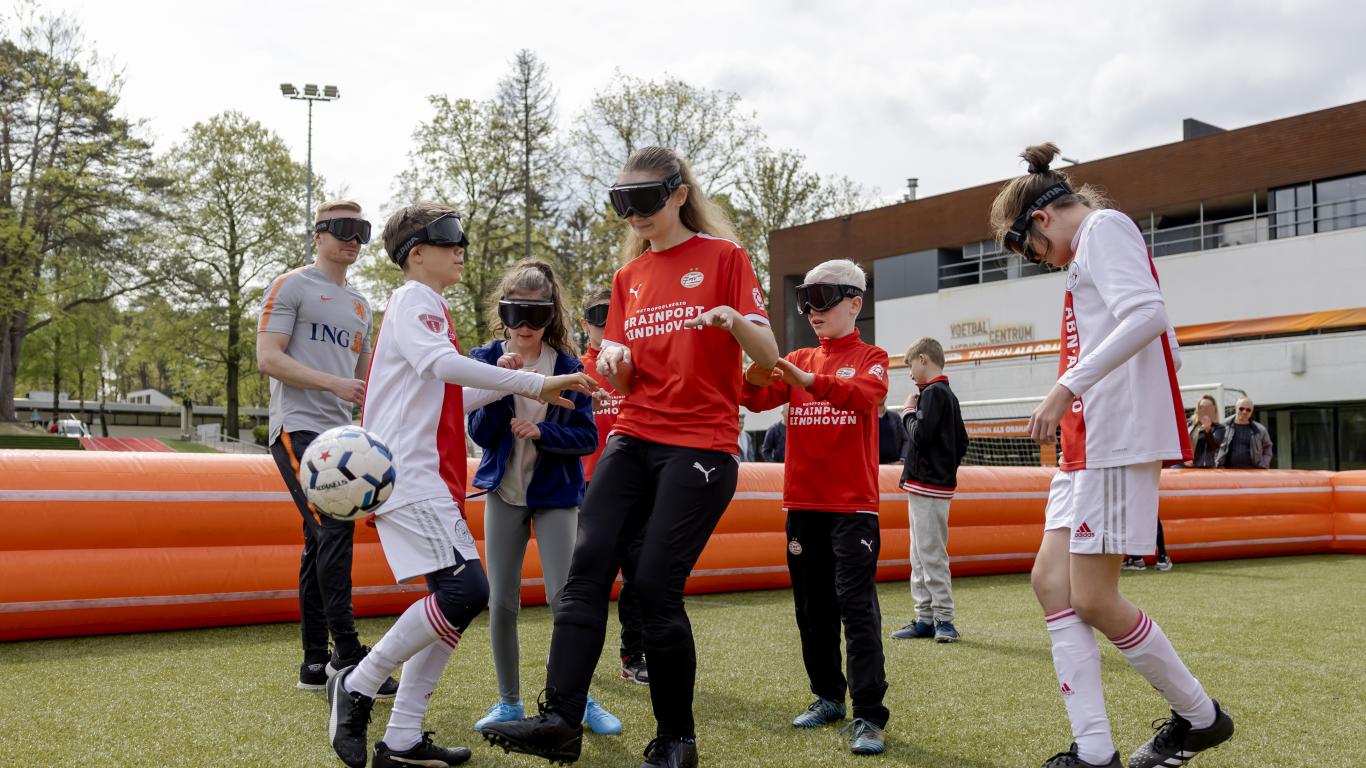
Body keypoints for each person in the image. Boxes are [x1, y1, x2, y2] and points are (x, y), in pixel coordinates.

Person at [481, 146, 778, 768]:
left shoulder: (724, 258)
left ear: (677, 194)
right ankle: (560, 721)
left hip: (699, 444)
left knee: (652, 587)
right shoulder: (629, 278)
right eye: (622, 203)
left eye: (643, 200)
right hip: (634, 436)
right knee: (587, 571)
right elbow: (609, 368)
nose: (633, 214)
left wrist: (733, 322)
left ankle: (677, 740)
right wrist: (609, 364)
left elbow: (768, 354)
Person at [325, 203, 597, 768]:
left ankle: (401, 739)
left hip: (426, 476)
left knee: (457, 599)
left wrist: (509, 382)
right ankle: (359, 682)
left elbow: (450, 392)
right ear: (415, 253)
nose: (460, 248)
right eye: (447, 239)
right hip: (410, 474)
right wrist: (534, 381)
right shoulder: (415, 300)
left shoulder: (430, 305)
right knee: (466, 593)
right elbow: (444, 367)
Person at [991, 143, 1233, 768]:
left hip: (1114, 441)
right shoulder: (1090, 253)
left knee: (1094, 598)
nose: (1036, 261)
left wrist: (1069, 386)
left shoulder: (1104, 228)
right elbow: (1167, 349)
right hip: (1089, 441)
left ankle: (1200, 718)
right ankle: (1094, 748)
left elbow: (1149, 315)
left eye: (1028, 248)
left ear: (1040, 219)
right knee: (1050, 583)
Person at [740, 258, 890, 755]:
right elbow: (754, 399)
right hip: (802, 504)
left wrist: (807, 382)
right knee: (812, 610)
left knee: (857, 609)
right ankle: (828, 696)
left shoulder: (873, 357)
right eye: (805, 298)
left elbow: (866, 397)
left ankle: (869, 714)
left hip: (853, 508)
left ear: (855, 302)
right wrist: (750, 369)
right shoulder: (800, 355)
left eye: (822, 297)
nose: (811, 309)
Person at [467, 260, 621, 735]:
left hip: (556, 496)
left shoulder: (570, 366)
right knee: (502, 601)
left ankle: (578, 700)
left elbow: (586, 440)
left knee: (565, 600)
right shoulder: (484, 357)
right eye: (516, 314)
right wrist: (498, 382)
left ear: (551, 315)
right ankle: (509, 702)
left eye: (536, 315)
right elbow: (479, 431)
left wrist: (542, 432)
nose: (525, 327)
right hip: (503, 494)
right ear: (503, 313)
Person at [256, 200, 397, 697]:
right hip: (297, 432)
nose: (352, 239)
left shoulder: (362, 305)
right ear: (318, 235)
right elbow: (268, 359)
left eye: (361, 230)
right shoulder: (291, 285)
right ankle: (349, 656)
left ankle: (315, 663)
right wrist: (332, 385)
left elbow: (367, 382)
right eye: (341, 229)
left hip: (344, 442)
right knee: (333, 535)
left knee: (318, 541)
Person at [580, 287, 650, 686]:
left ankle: (633, 655)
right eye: (597, 316)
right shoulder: (575, 367)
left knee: (638, 574)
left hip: (636, 483)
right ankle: (578, 657)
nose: (605, 323)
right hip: (587, 485)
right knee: (587, 576)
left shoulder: (634, 368)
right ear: (585, 322)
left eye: (613, 315)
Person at [890, 337, 967, 644]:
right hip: (933, 483)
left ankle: (943, 619)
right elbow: (962, 441)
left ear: (923, 359)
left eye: (910, 365)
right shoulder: (948, 395)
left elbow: (919, 435)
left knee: (929, 554)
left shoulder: (932, 393)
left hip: (928, 484)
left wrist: (908, 411)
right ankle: (925, 616)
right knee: (920, 553)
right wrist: (947, 469)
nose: (910, 374)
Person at [1215, 397, 1273, 469]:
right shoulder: (1223, 427)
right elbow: (1214, 446)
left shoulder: (1260, 430)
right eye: (1241, 408)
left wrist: (1263, 464)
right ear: (1236, 408)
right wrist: (1217, 464)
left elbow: (1268, 448)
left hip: (1253, 473)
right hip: (1227, 472)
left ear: (1251, 412)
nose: (1244, 412)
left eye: (1248, 410)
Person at [1186, 394, 1226, 469]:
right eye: (1202, 407)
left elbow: (1214, 446)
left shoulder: (1219, 428)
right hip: (1185, 466)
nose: (1205, 410)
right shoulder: (1189, 424)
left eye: (1208, 408)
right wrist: (1184, 459)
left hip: (1203, 467)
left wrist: (1208, 430)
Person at [876, 398, 908, 464]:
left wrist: (902, 459)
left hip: (894, 464)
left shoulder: (895, 417)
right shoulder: (866, 418)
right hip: (874, 464)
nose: (881, 395)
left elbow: (905, 439)